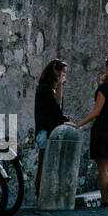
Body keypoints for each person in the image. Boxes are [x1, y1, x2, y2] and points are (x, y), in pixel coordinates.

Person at [72, 53, 108, 207]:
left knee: (103, 167)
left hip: (103, 127)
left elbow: (97, 111)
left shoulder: (104, 88)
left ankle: (105, 200)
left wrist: (78, 124)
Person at [33, 59, 72, 201]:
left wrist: (63, 118)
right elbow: (55, 101)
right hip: (44, 132)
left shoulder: (51, 89)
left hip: (50, 131)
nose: (64, 75)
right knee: (43, 165)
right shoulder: (44, 88)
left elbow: (53, 110)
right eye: (62, 72)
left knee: (48, 165)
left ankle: (44, 194)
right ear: (55, 71)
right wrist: (61, 85)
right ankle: (39, 194)